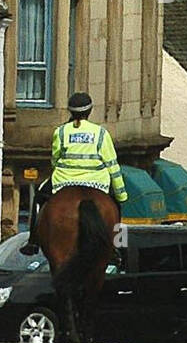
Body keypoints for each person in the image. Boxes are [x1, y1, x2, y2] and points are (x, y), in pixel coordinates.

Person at [21, 92, 127, 255]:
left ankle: (33, 241)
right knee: (116, 208)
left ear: (71, 111)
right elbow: (113, 166)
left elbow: (55, 159)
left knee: (38, 199)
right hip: (97, 183)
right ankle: (118, 246)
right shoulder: (101, 133)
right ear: (89, 111)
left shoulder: (61, 132)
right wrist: (121, 195)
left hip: (63, 182)